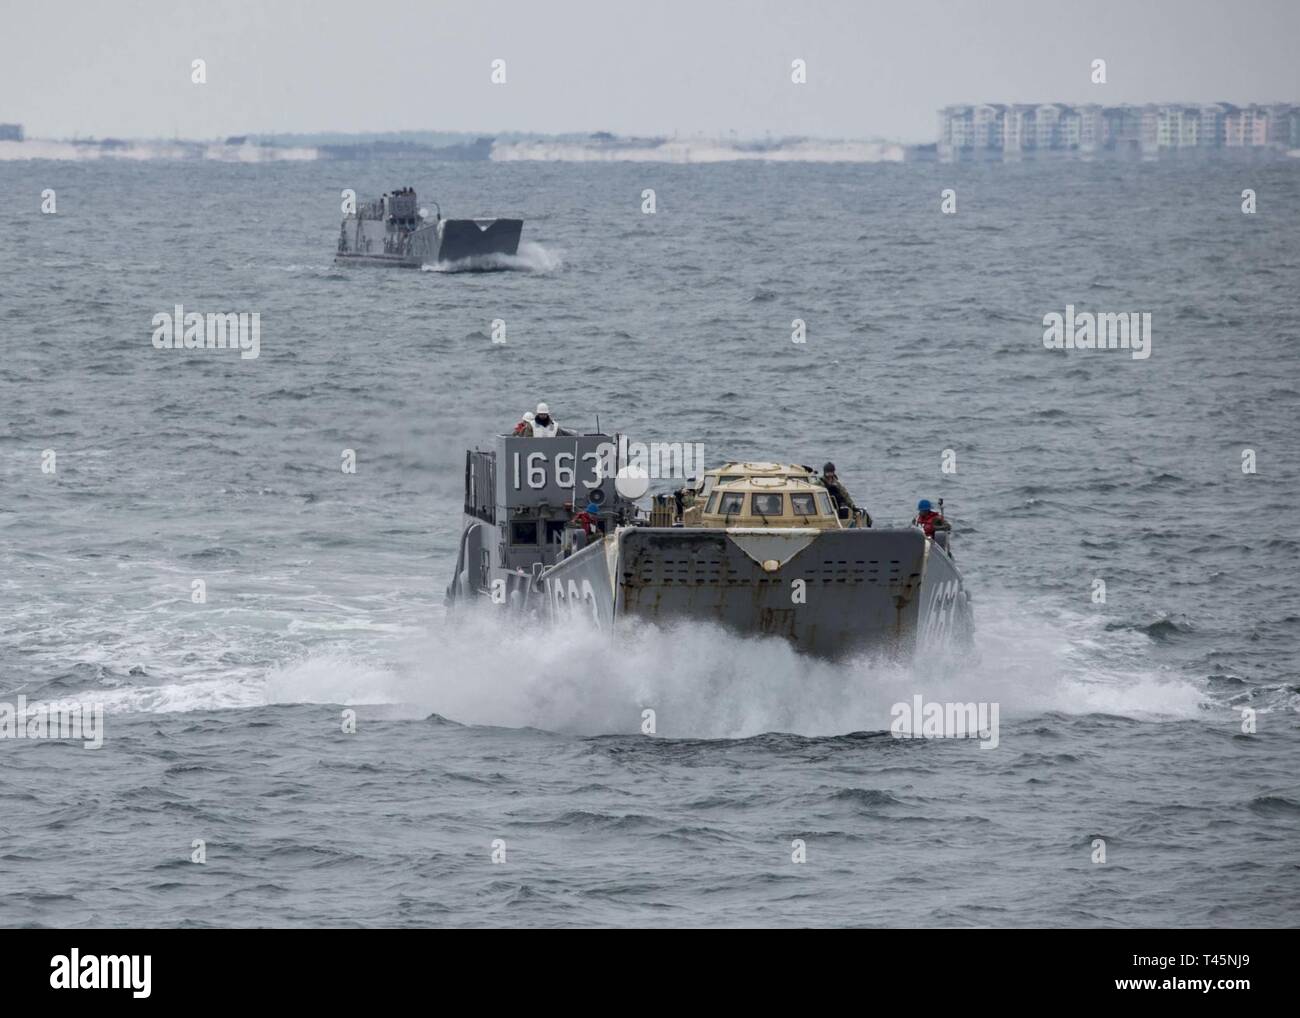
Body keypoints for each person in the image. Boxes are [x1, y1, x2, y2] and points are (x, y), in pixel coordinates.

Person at [822, 462, 872, 527]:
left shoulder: (837, 483)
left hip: (837, 506)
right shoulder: (820, 483)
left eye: (830, 472)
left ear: (833, 472)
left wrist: (852, 506)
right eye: (827, 472)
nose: (829, 474)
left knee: (844, 511)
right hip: (825, 506)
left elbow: (845, 495)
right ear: (824, 472)